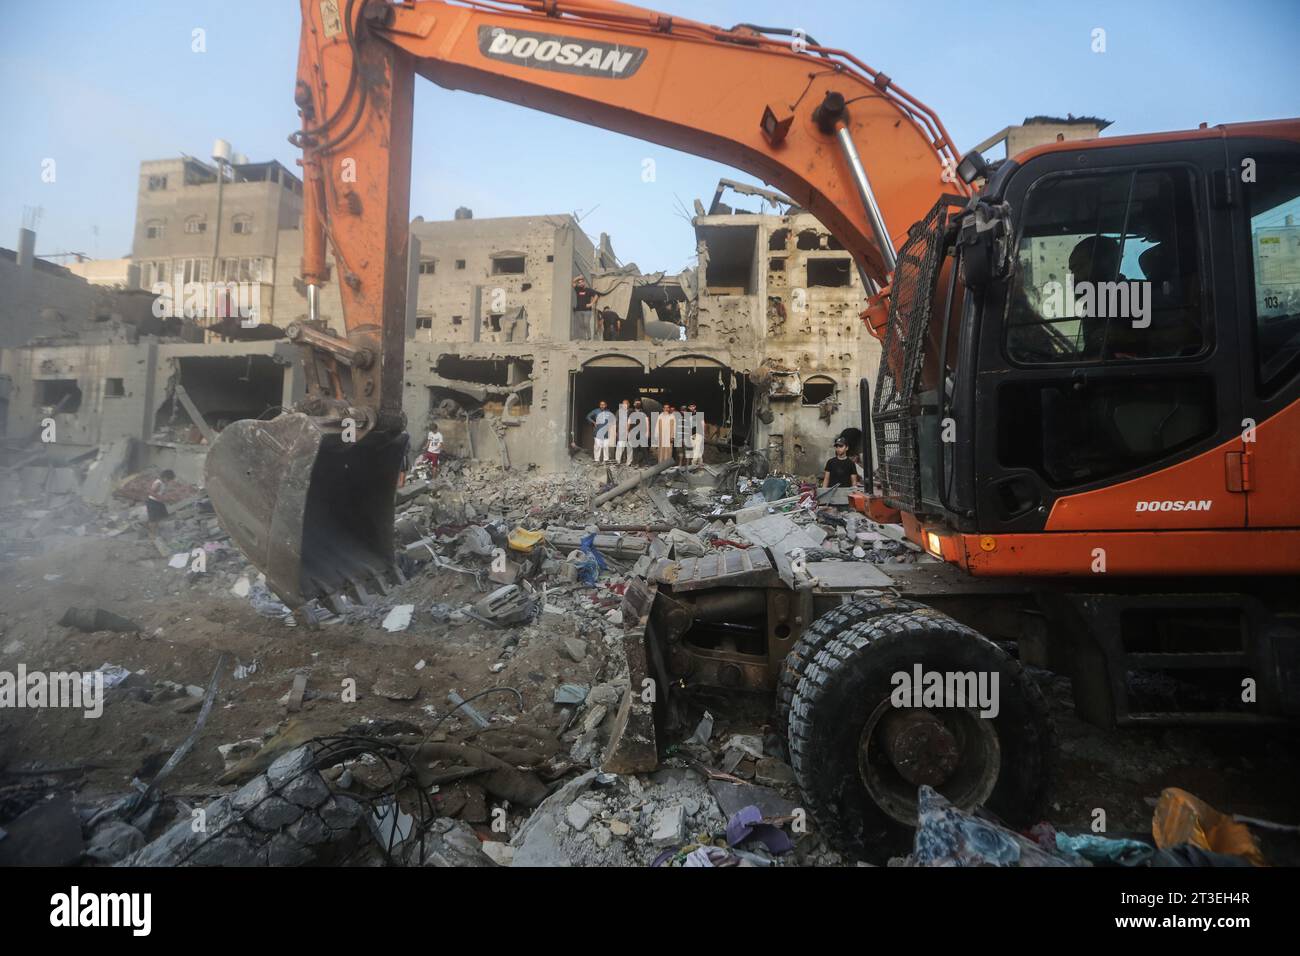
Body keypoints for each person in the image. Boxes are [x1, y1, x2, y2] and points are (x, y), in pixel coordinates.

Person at [146, 469, 176, 539]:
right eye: (168, 479)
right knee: (153, 519)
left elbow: (161, 493)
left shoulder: (163, 483)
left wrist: (167, 498)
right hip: (153, 502)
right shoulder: (158, 483)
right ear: (165, 477)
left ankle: (155, 531)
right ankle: (151, 534)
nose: (169, 481)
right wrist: (160, 497)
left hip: (159, 502)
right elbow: (151, 492)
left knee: (161, 516)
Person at [685, 401, 705, 466]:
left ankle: (693, 462)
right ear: (689, 407)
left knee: (698, 447)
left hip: (699, 433)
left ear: (695, 406)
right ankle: (700, 463)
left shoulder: (699, 413)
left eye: (693, 406)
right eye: (690, 407)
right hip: (692, 434)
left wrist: (703, 433)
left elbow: (703, 423)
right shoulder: (688, 415)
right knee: (696, 448)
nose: (692, 408)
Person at [615, 399, 632, 465]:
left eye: (626, 404)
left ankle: (629, 462)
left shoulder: (631, 411)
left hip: (630, 432)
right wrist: (616, 431)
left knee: (629, 447)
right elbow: (616, 422)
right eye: (623, 404)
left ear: (628, 404)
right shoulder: (619, 412)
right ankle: (617, 461)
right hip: (621, 431)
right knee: (620, 447)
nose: (625, 405)